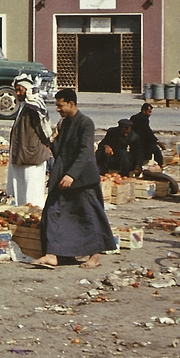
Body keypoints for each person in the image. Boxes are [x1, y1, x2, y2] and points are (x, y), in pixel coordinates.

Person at [33, 89, 117, 270]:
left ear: (71, 104)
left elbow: (85, 152)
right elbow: (60, 152)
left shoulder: (85, 123)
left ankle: (95, 256)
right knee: (52, 212)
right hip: (63, 177)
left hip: (82, 178)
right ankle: (53, 254)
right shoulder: (64, 124)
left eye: (60, 105)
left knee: (90, 216)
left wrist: (72, 175)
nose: (58, 109)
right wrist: (53, 140)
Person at [6, 75, 52, 207]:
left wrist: (48, 144)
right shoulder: (24, 105)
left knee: (32, 186)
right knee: (21, 186)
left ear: (27, 89)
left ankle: (34, 214)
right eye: (16, 90)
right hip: (24, 153)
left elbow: (43, 129)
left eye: (20, 90)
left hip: (32, 154)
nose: (18, 93)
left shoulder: (34, 106)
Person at [130, 103, 166, 168]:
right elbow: (147, 132)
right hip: (142, 141)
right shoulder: (143, 119)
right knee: (156, 150)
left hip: (134, 141)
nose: (150, 114)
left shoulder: (134, 117)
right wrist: (157, 142)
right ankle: (160, 166)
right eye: (149, 112)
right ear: (144, 111)